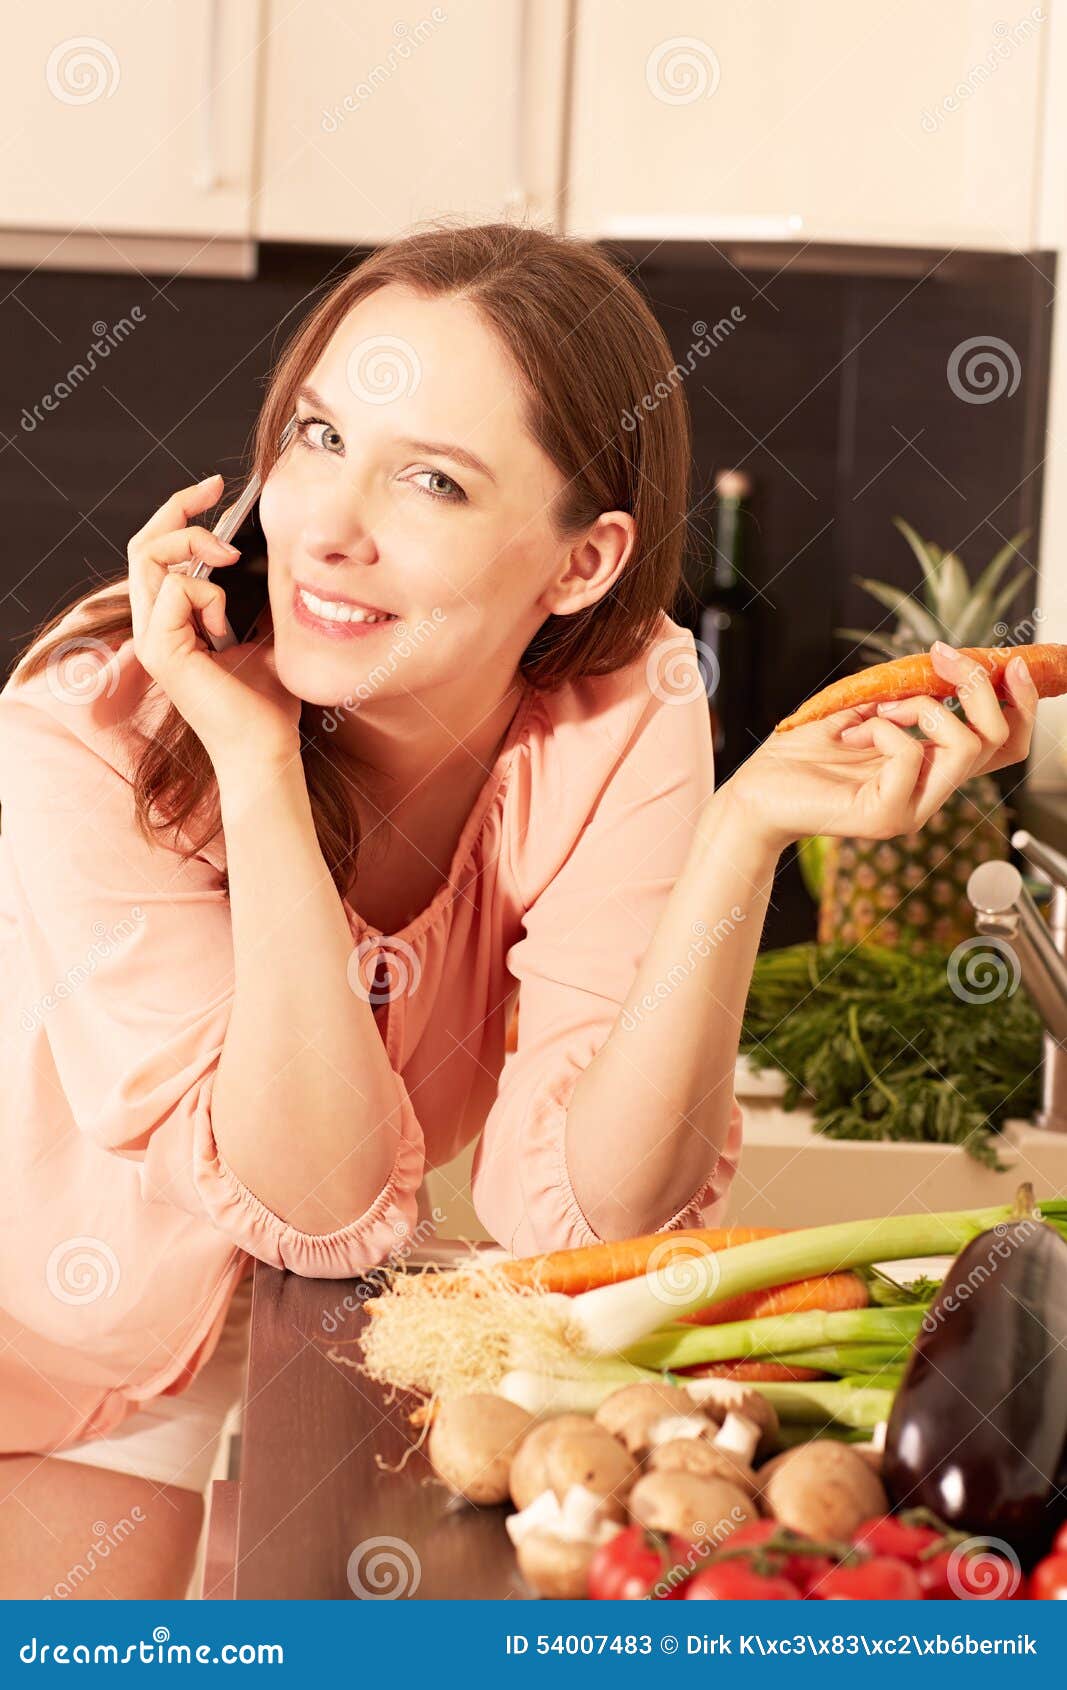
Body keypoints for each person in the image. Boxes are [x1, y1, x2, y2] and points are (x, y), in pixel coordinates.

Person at [0, 223, 1036, 1598]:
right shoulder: (97, 729)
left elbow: (582, 1219)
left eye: (429, 477)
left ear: (582, 562)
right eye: (315, 435)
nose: (328, 526)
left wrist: (742, 833)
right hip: (46, 1343)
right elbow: (313, 1195)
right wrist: (249, 758)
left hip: (304, 1336)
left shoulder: (624, 706)